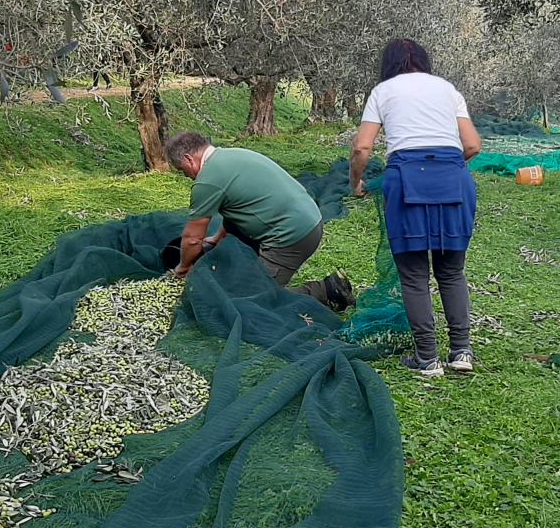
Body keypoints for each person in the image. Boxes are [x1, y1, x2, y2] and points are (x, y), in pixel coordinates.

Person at [350, 38, 482, 377]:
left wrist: (356, 183)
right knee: (451, 271)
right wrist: (446, 166)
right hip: (454, 179)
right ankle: (461, 352)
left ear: (388, 64)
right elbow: (472, 145)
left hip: (407, 179)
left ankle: (427, 358)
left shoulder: (383, 91)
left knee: (414, 276)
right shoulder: (448, 89)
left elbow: (362, 148)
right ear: (424, 61)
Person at [165, 132, 354, 309]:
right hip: (307, 218)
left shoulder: (208, 180)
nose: (187, 177)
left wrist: (183, 267)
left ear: (189, 159)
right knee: (238, 273)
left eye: (183, 171)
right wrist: (217, 237)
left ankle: (329, 290)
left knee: (253, 301)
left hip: (292, 236)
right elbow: (239, 206)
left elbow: (192, 239)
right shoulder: (231, 156)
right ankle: (252, 273)